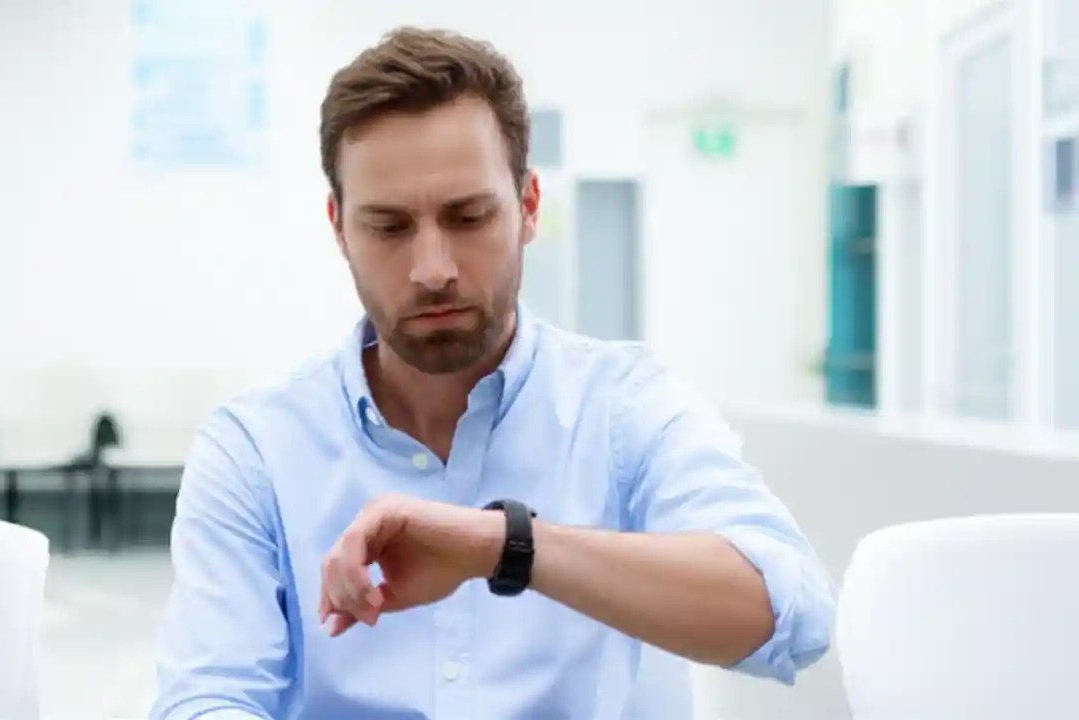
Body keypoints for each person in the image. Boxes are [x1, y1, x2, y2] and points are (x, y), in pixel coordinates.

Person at [151, 26, 834, 720]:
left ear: (528, 206)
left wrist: (505, 547)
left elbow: (790, 614)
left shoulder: (623, 409)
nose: (433, 269)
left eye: (469, 216)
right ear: (338, 227)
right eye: (388, 227)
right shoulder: (257, 450)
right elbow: (207, 697)